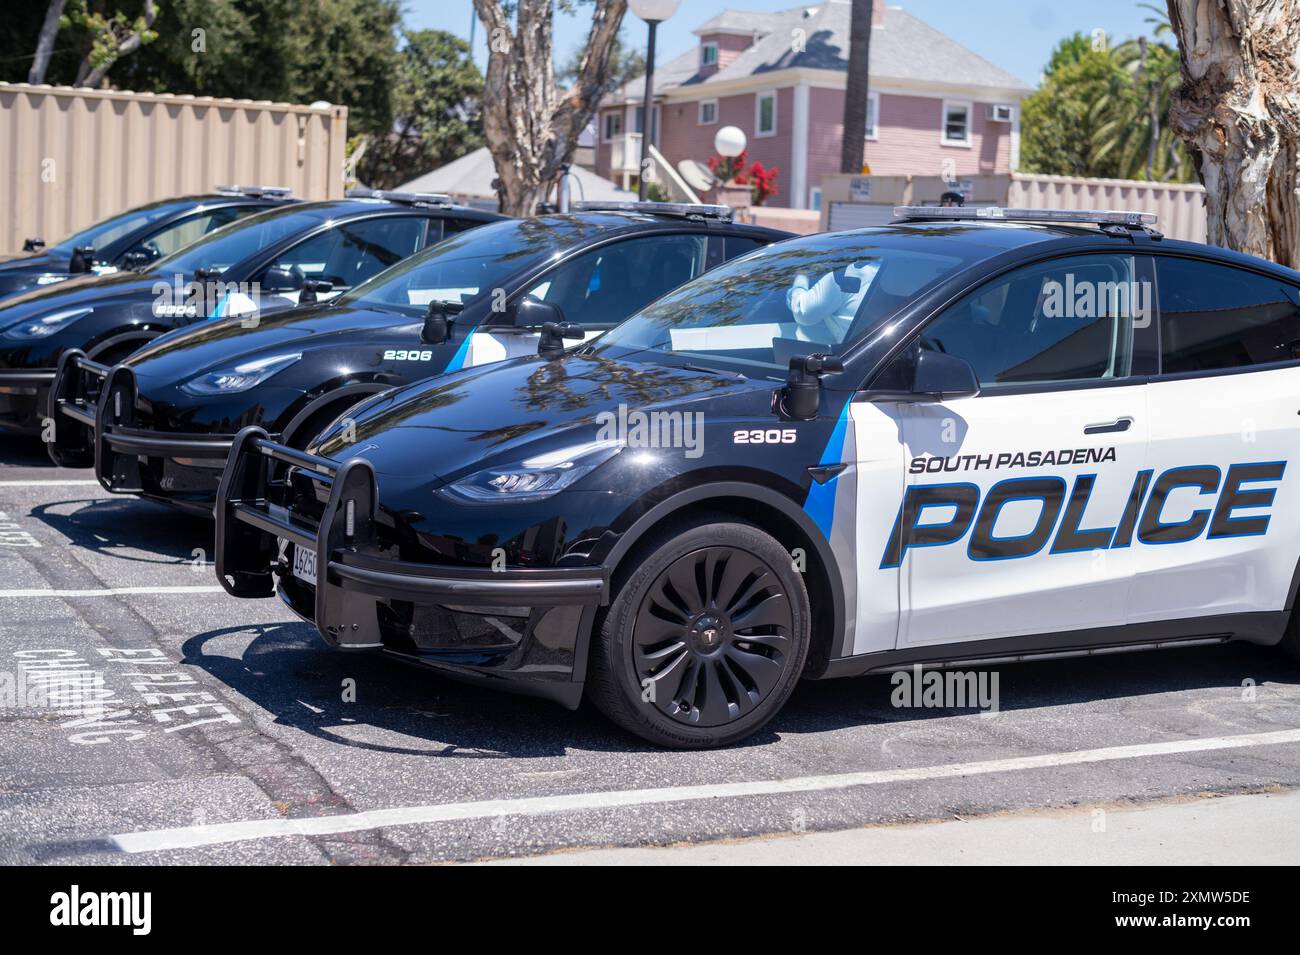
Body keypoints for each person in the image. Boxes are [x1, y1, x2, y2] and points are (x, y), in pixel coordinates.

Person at [786, 261, 879, 344]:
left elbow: (803, 313)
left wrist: (801, 276)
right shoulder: (881, 269)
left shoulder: (846, 274)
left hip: (857, 352)